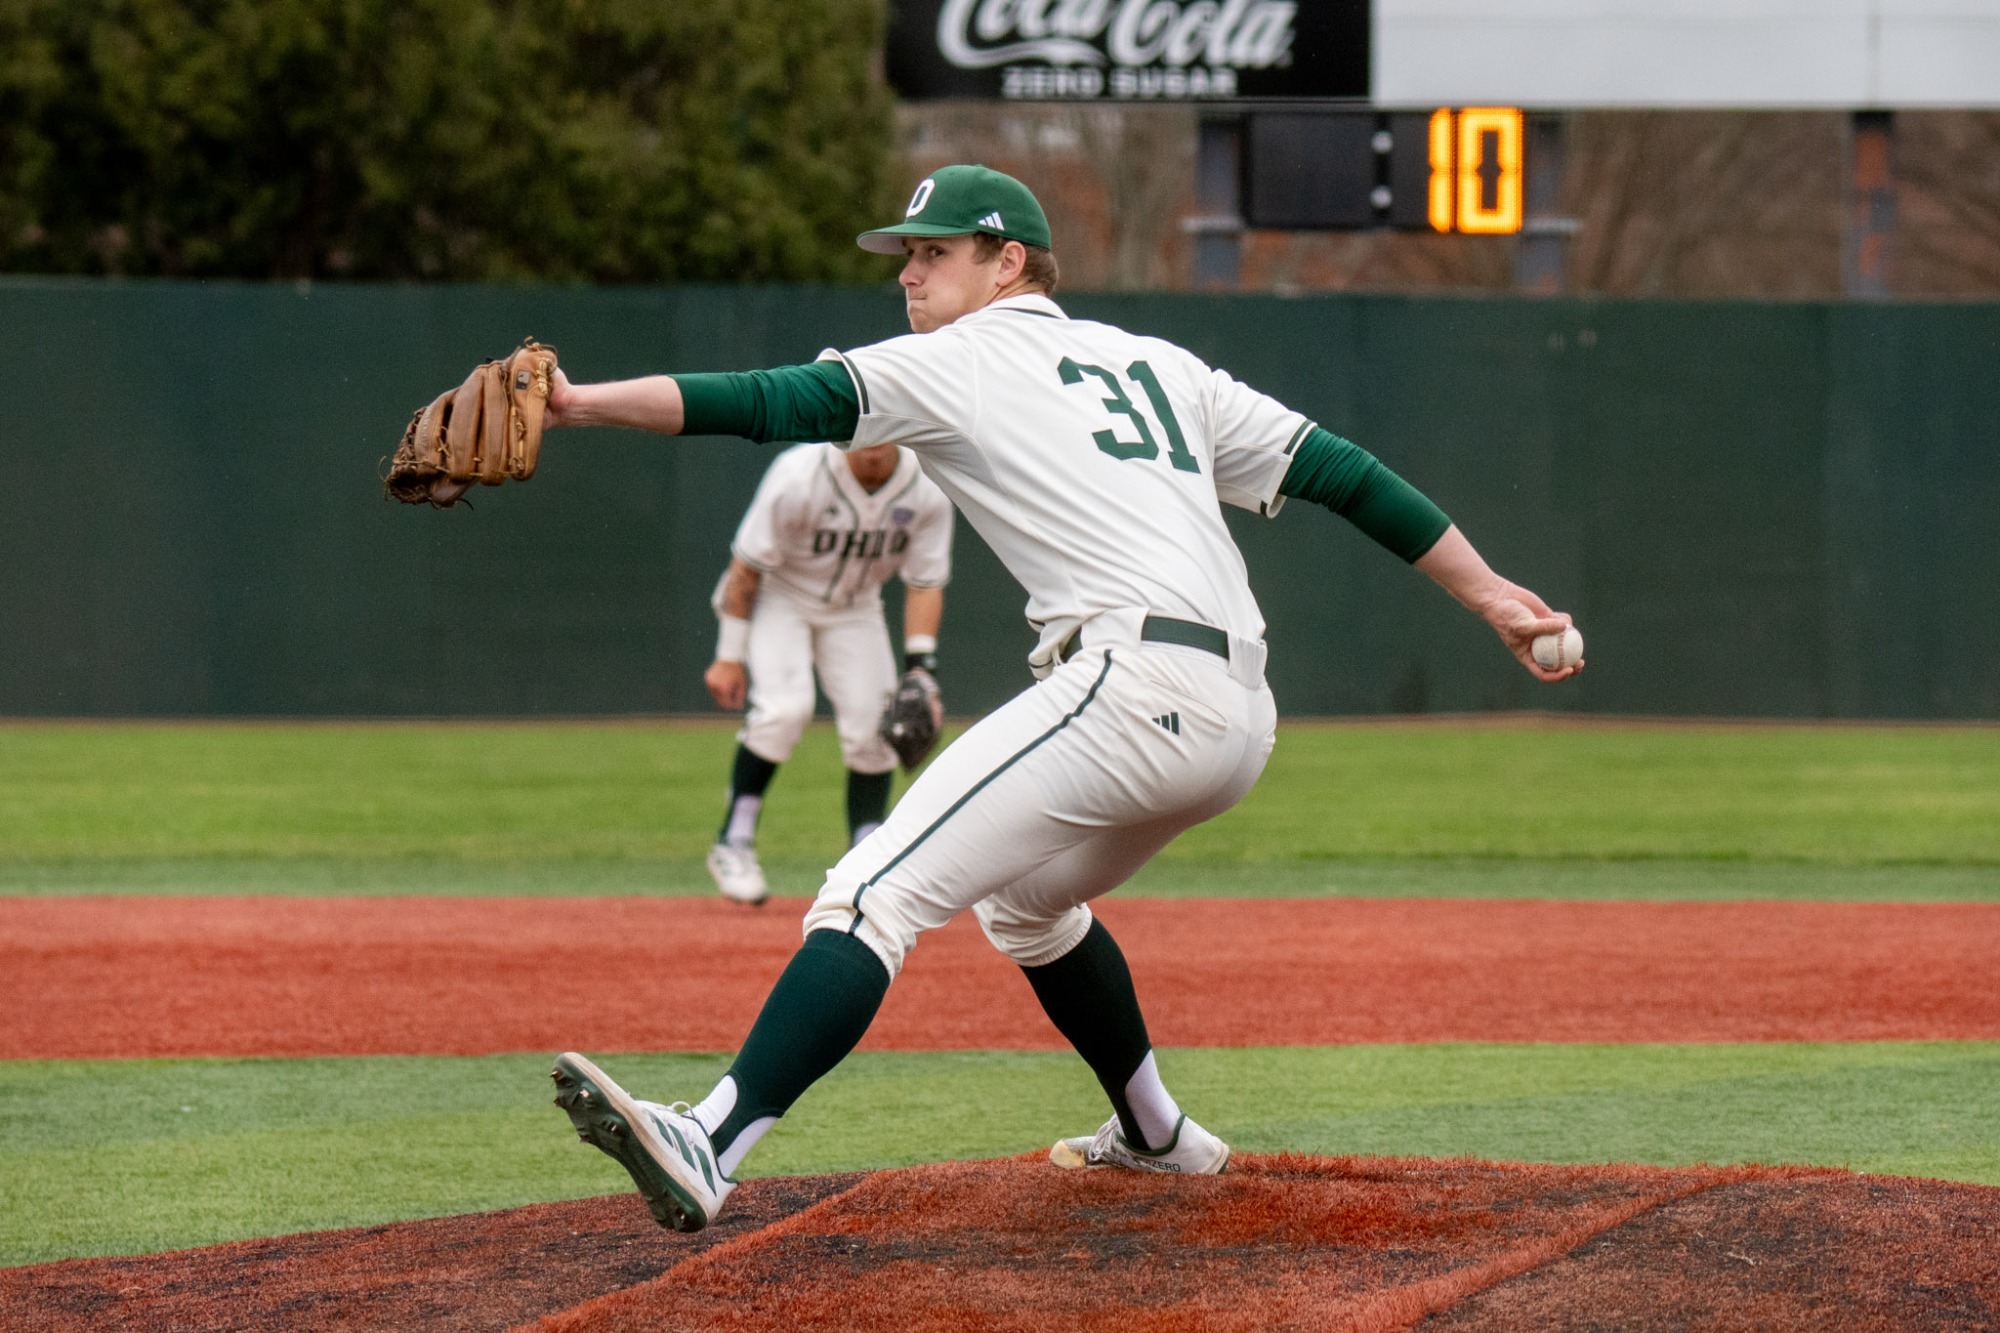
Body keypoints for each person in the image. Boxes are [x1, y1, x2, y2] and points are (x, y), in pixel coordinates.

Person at [543, 164, 1582, 1233]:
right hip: (1237, 717)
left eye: (935, 251)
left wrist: (577, 404)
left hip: (1132, 686)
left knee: (870, 893)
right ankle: (1156, 1132)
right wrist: (1492, 595)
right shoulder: (1161, 365)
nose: (909, 273)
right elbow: (1341, 471)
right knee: (1024, 905)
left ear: (1008, 263)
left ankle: (710, 1142)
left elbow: (768, 402)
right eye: (906, 254)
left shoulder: (958, 361)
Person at [701, 439, 953, 906]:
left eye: (884, 429)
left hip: (857, 607)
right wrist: (729, 654)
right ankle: (733, 841)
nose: (873, 442)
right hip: (781, 595)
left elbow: (925, 583)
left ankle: (866, 857)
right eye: (862, 430)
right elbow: (746, 568)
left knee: (875, 727)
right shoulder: (799, 475)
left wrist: (921, 669)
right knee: (784, 711)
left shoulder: (927, 486)